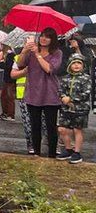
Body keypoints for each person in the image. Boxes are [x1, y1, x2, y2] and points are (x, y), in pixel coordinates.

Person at [17, 27, 63, 158]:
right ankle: (36, 152)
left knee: (50, 126)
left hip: (50, 94)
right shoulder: (31, 52)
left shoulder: (57, 53)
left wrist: (37, 54)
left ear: (52, 39)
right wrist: (25, 50)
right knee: (34, 125)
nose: (43, 39)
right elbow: (20, 64)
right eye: (42, 36)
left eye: (47, 37)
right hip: (33, 92)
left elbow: (49, 69)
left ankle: (52, 154)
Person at [56, 53, 91, 164]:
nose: (76, 65)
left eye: (79, 63)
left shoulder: (86, 78)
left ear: (83, 65)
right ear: (69, 65)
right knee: (62, 129)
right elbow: (60, 90)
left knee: (77, 129)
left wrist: (71, 99)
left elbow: (86, 93)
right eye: (74, 63)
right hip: (66, 108)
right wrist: (63, 97)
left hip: (80, 108)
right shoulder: (65, 78)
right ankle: (68, 149)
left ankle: (77, 152)